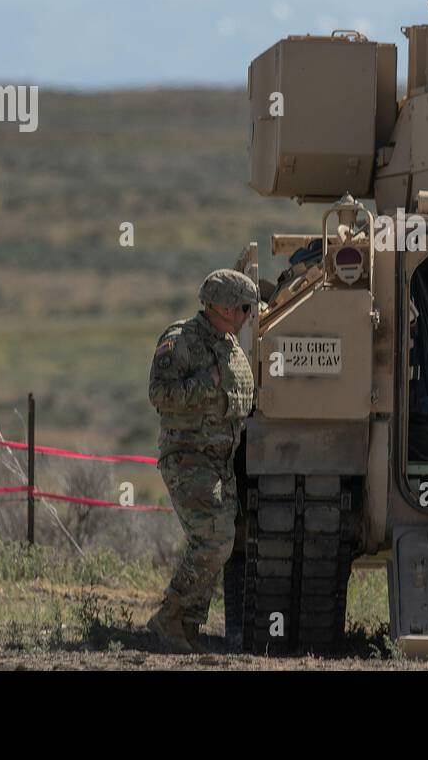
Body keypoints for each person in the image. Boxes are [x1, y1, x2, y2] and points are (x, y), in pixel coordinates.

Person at [146, 268, 258, 653]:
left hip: (221, 464)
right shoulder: (182, 341)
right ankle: (169, 617)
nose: (249, 315)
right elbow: (160, 394)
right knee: (214, 541)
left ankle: (186, 628)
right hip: (189, 457)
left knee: (218, 543)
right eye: (245, 307)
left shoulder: (230, 346)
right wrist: (205, 383)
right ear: (225, 308)